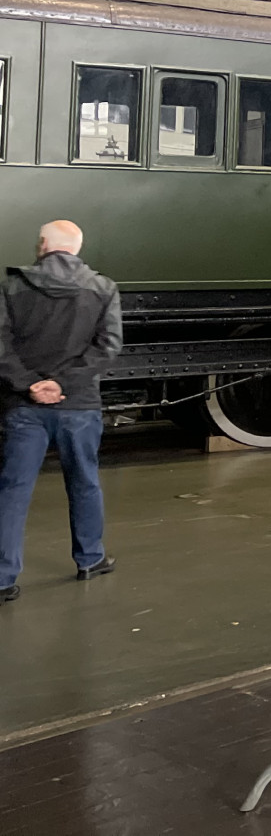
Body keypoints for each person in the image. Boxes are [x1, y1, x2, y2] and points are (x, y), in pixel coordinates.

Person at [0, 220, 123, 602]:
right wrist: (64, 385)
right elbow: (108, 347)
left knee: (13, 490)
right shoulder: (102, 288)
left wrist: (31, 384)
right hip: (80, 405)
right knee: (84, 481)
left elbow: (0, 344)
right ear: (76, 248)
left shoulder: (12, 287)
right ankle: (89, 558)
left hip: (24, 406)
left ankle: (3, 578)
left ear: (42, 245)